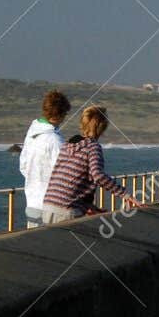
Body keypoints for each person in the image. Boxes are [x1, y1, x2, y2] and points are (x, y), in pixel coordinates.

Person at [40, 105, 141, 223]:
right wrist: (125, 194)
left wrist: (87, 206)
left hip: (48, 205)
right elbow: (98, 175)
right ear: (102, 128)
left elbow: (67, 180)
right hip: (67, 210)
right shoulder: (92, 147)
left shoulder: (67, 145)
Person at [18, 90, 71, 228]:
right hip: (51, 207)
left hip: (32, 202)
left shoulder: (31, 134)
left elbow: (23, 166)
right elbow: (65, 175)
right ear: (61, 114)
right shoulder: (55, 141)